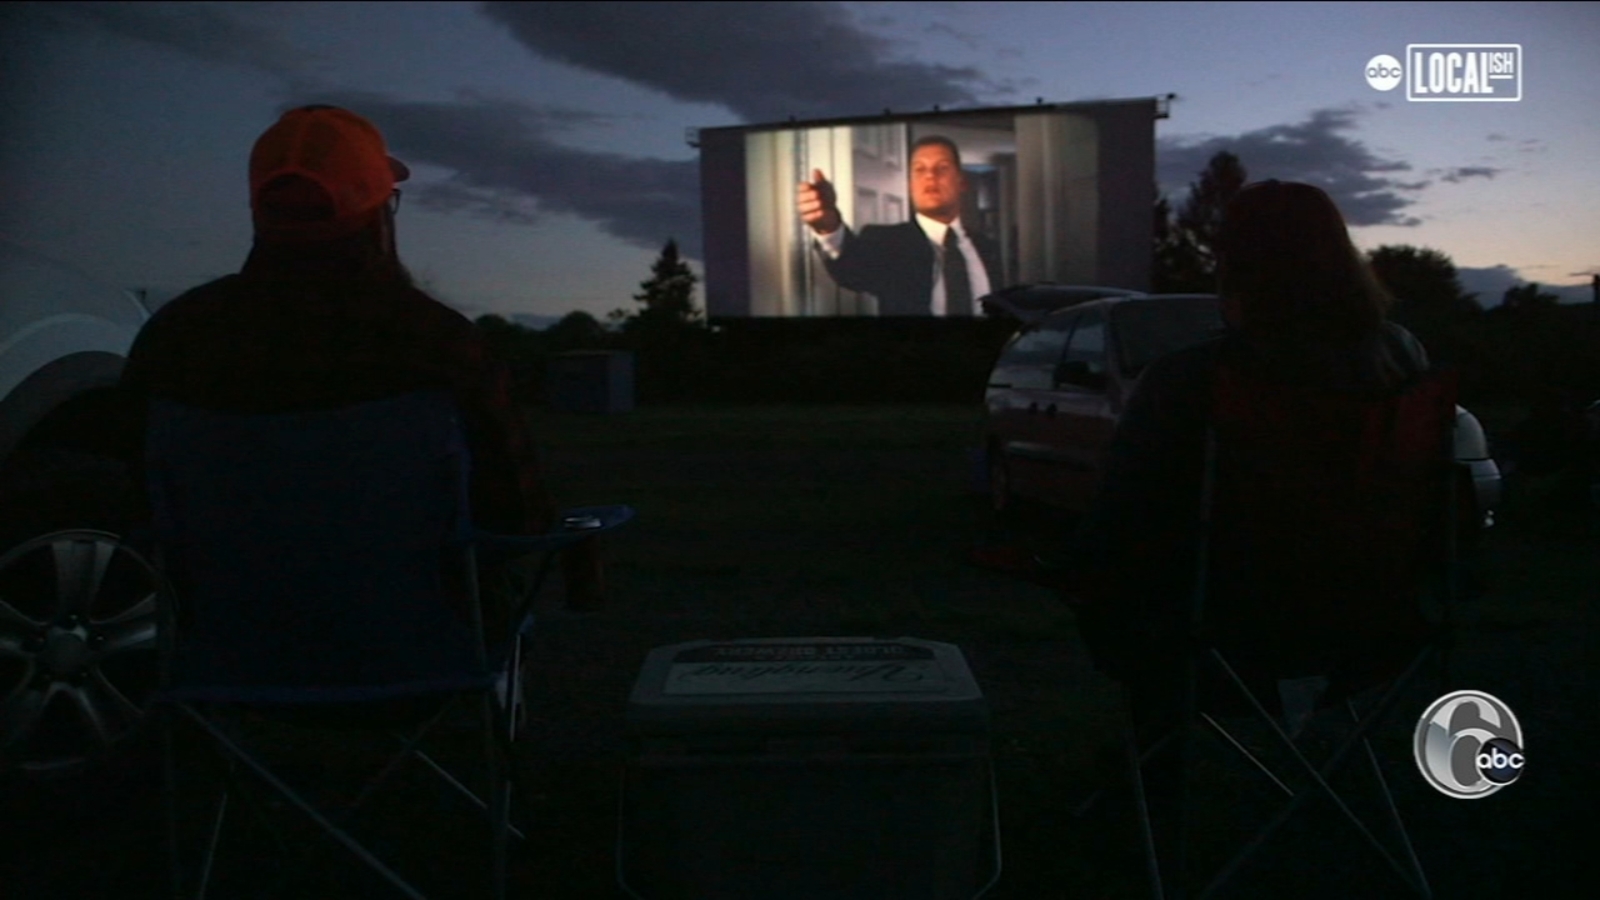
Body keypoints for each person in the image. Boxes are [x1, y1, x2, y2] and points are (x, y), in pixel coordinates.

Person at [117, 104, 604, 640]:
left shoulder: (174, 339)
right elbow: (518, 518)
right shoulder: (440, 343)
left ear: (259, 211)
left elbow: (130, 506)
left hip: (223, 649)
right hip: (424, 647)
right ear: (381, 212)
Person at [1064, 181, 1434, 857]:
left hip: (1228, 644)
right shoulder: (1402, 359)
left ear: (1233, 264)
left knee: (1142, 598)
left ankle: (1146, 798)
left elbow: (1122, 524)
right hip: (1378, 633)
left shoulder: (1191, 380)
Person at [796, 135, 1001, 316]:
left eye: (942, 168)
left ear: (961, 181)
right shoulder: (885, 242)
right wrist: (829, 226)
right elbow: (852, 270)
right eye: (919, 169)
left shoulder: (988, 247)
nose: (930, 175)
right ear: (910, 185)